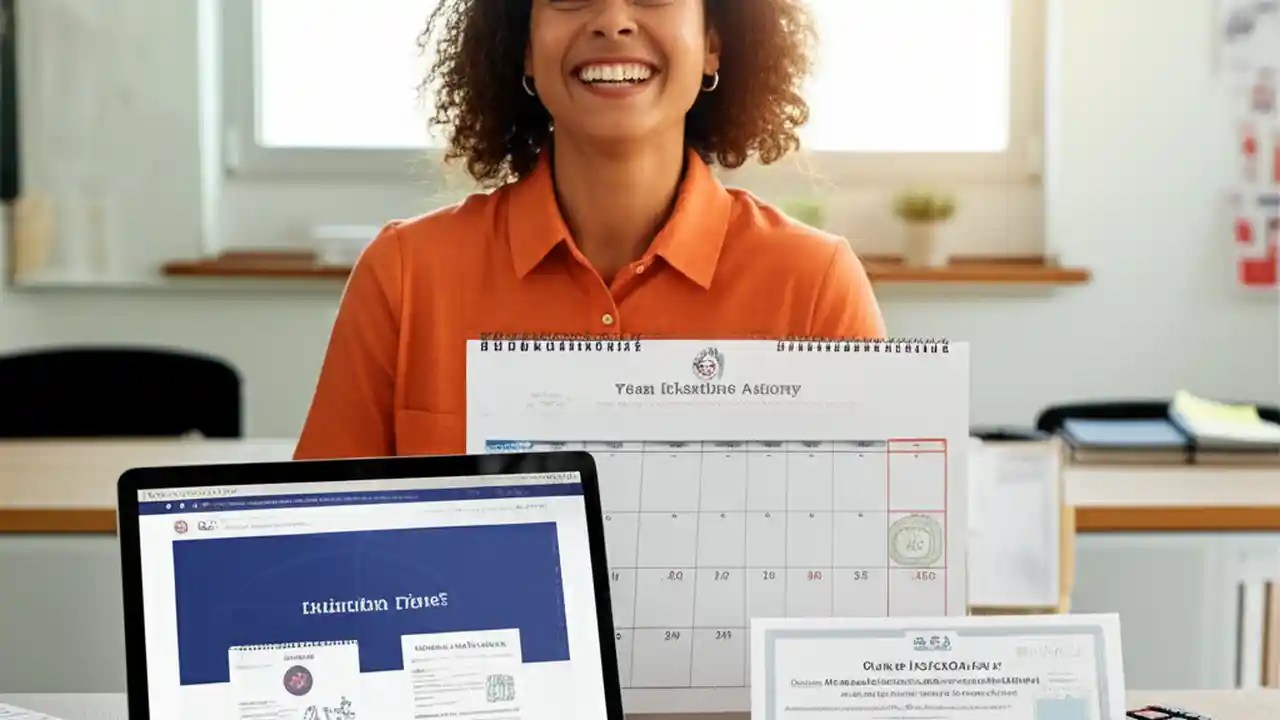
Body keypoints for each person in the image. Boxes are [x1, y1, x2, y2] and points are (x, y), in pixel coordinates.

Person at [295, 0, 886, 460]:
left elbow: (870, 569)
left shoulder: (814, 284)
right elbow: (316, 550)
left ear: (713, 42)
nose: (612, 21)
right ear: (523, 46)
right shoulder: (404, 273)